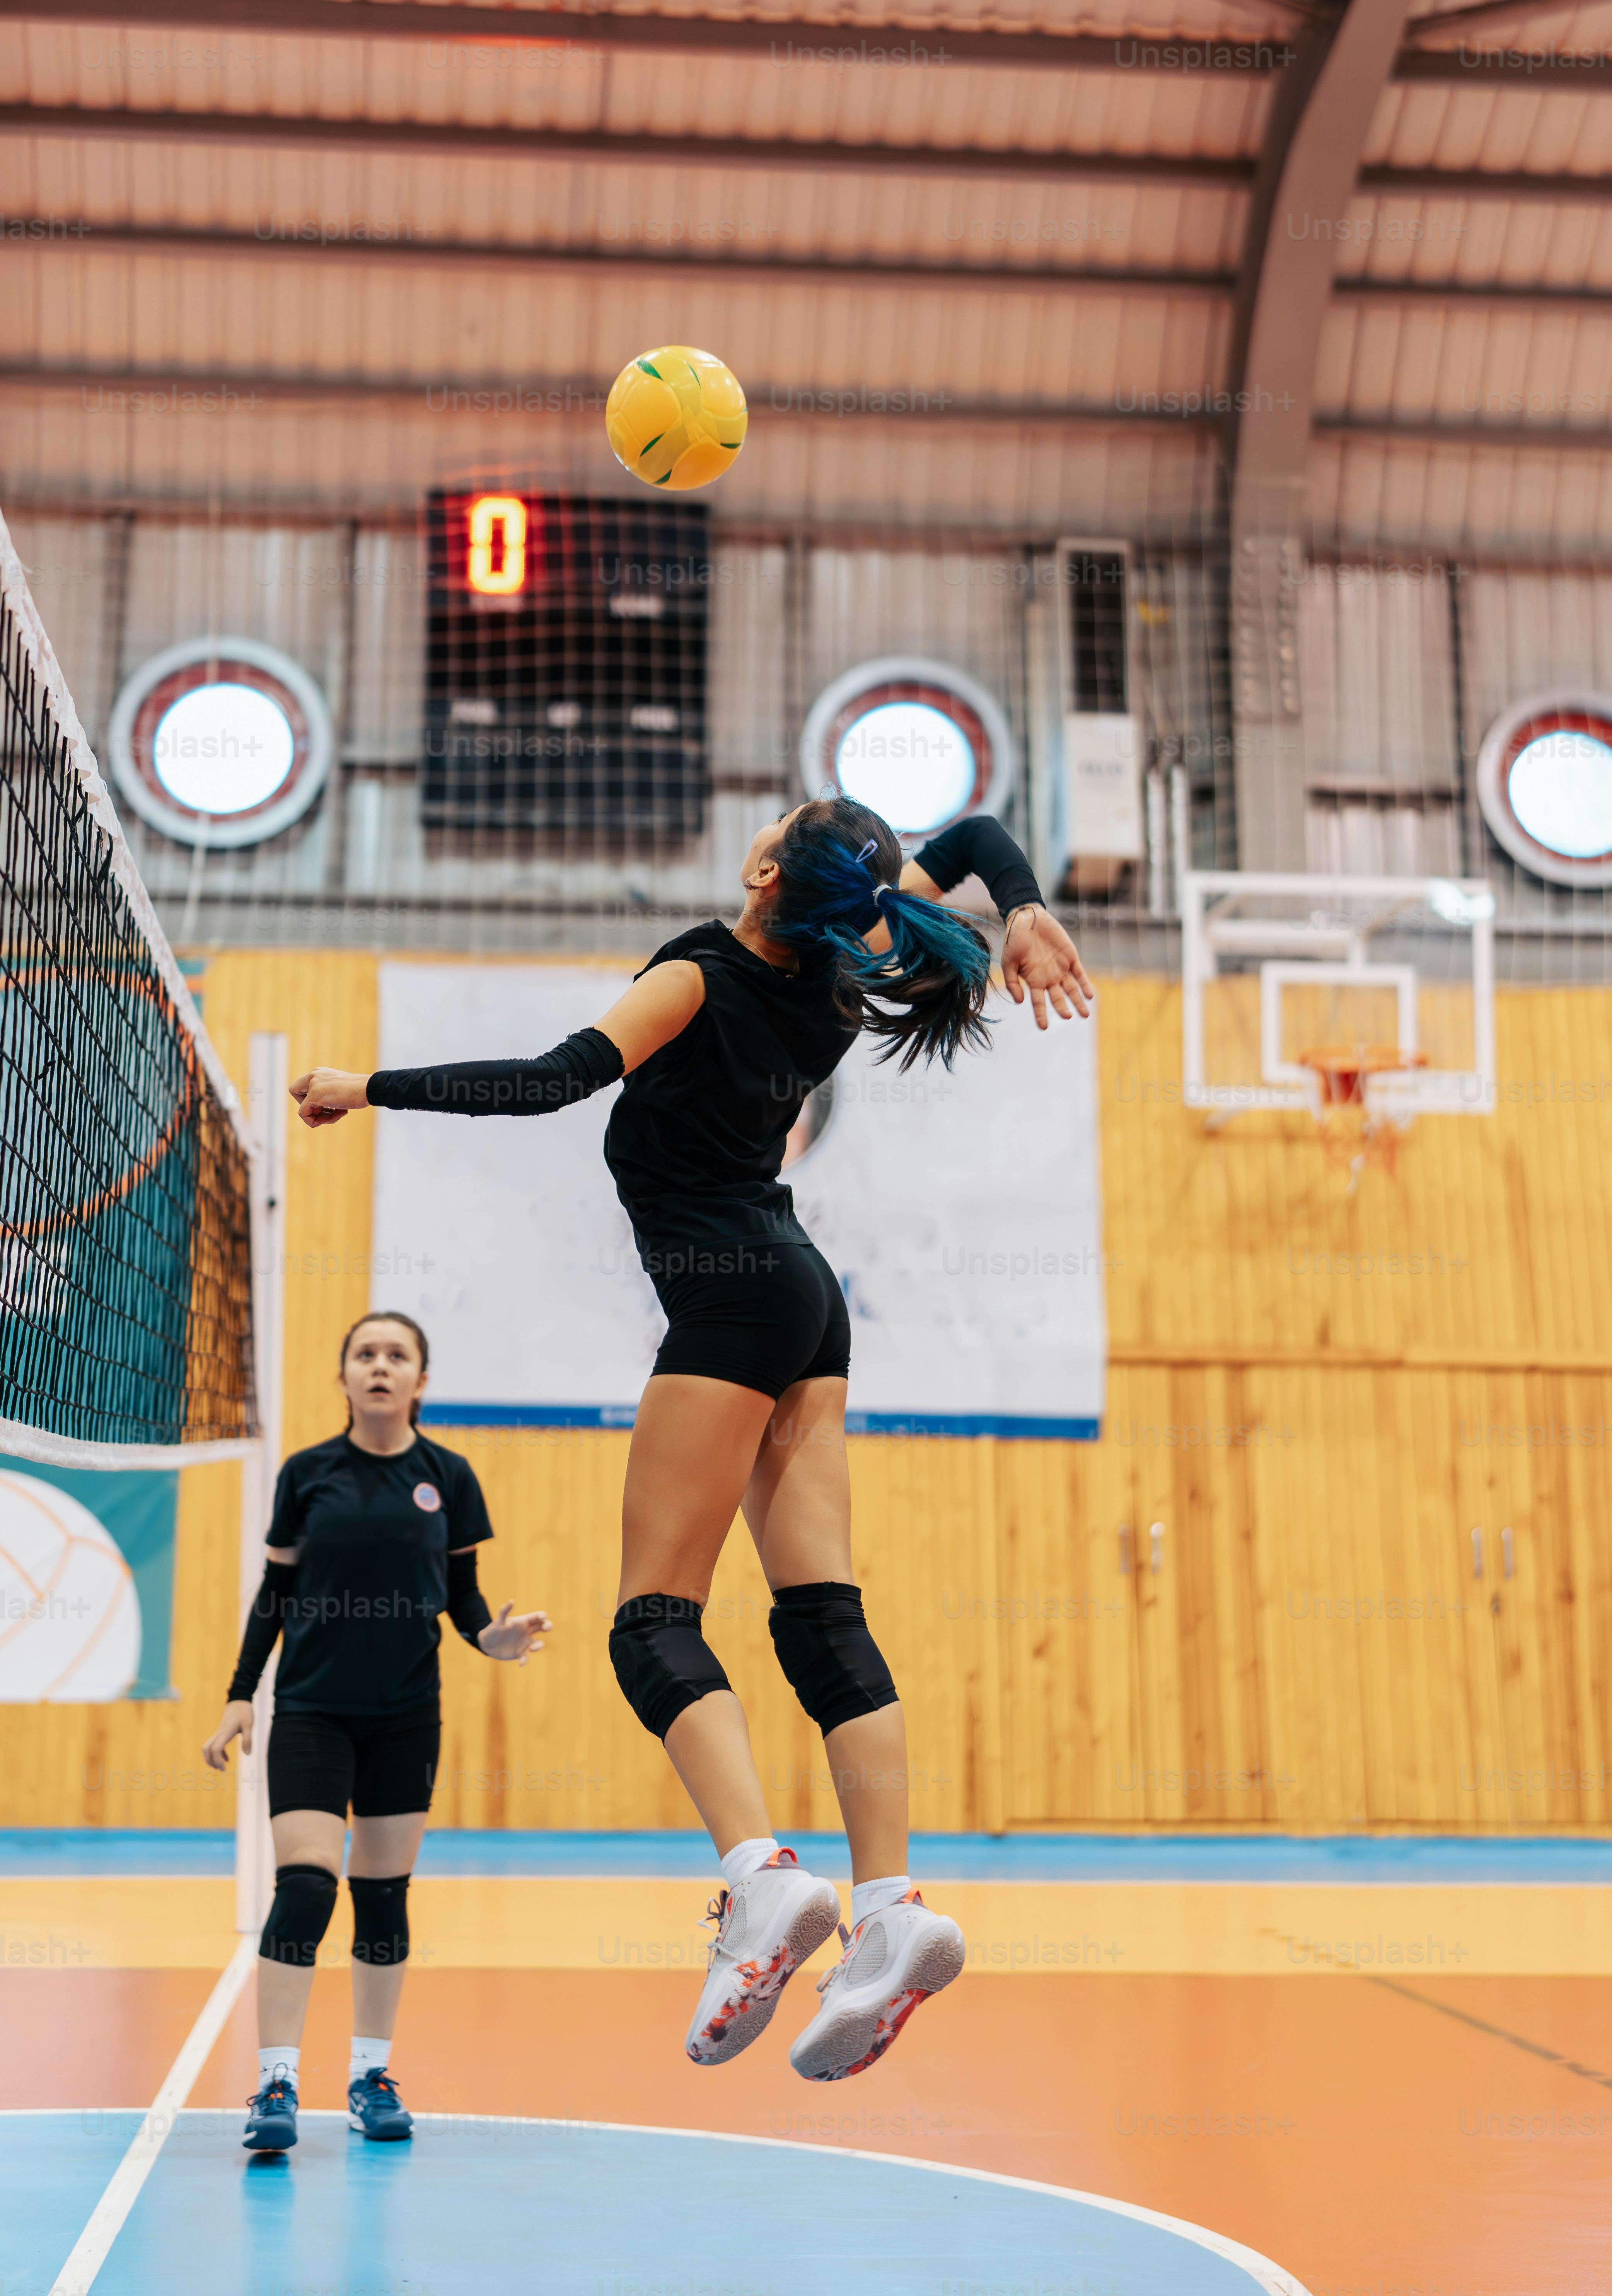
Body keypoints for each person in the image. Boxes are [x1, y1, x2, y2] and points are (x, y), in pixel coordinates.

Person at [291, 799, 1091, 2082]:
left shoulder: (699, 978)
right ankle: (888, 1908)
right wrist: (1031, 905)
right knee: (821, 1614)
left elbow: (549, 1082)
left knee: (653, 1619)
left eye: (772, 825)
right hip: (808, 1300)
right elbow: (984, 833)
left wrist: (366, 1088)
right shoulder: (850, 960)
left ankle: (762, 1879)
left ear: (764, 868)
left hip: (732, 1294)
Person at [203, 1311, 549, 2151]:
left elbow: (464, 1596)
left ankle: (369, 2077)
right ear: (346, 1376)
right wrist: (241, 1693)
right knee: (309, 1886)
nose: (381, 1366)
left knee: (383, 1898)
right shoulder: (308, 1474)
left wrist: (490, 1638)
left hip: (405, 1716)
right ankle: (275, 2086)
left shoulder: (449, 1477)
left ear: (421, 1380)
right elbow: (274, 1595)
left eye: (398, 1356)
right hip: (315, 1712)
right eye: (366, 1354)